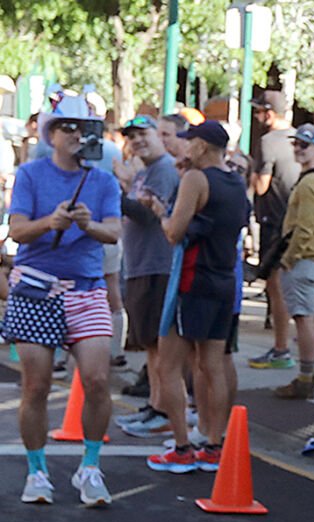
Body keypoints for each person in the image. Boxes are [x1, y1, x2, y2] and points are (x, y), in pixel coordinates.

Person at [4, 94, 122, 506]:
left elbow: (114, 232)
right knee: (35, 385)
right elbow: (17, 231)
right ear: (50, 133)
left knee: (97, 379)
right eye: (66, 126)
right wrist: (48, 222)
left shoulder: (103, 180)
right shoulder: (31, 175)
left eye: (82, 127)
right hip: (37, 288)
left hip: (87, 290)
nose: (75, 134)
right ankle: (37, 472)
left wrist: (89, 225)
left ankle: (90, 468)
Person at [146, 120, 250, 476]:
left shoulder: (196, 179)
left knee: (168, 364)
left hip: (192, 281)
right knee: (212, 364)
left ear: (203, 147)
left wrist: (162, 213)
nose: (185, 147)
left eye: (190, 142)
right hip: (224, 280)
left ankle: (182, 447)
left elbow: (174, 233)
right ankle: (214, 444)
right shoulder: (237, 181)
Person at [115, 114, 180, 438]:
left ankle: (164, 411)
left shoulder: (165, 169)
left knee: (159, 347)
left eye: (143, 133)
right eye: (132, 136)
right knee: (152, 348)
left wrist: (115, 196)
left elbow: (148, 215)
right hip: (142, 266)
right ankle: (154, 406)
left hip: (158, 267)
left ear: (158, 135)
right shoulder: (146, 171)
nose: (138, 140)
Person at [268, 125, 314, 401]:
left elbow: (305, 228)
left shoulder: (311, 182)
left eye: (304, 145)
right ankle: (307, 375)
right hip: (312, 256)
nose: (298, 149)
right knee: (305, 316)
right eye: (296, 144)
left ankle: (305, 378)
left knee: (302, 317)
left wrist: (288, 259)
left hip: (306, 258)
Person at [247, 90, 299, 371]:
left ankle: (281, 348)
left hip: (273, 221)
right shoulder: (297, 139)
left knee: (276, 287)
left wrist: (249, 170)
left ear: (269, 113)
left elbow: (261, 186)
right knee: (301, 288)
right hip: (296, 221)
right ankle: (300, 349)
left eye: (258, 112)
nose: (257, 117)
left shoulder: (267, 142)